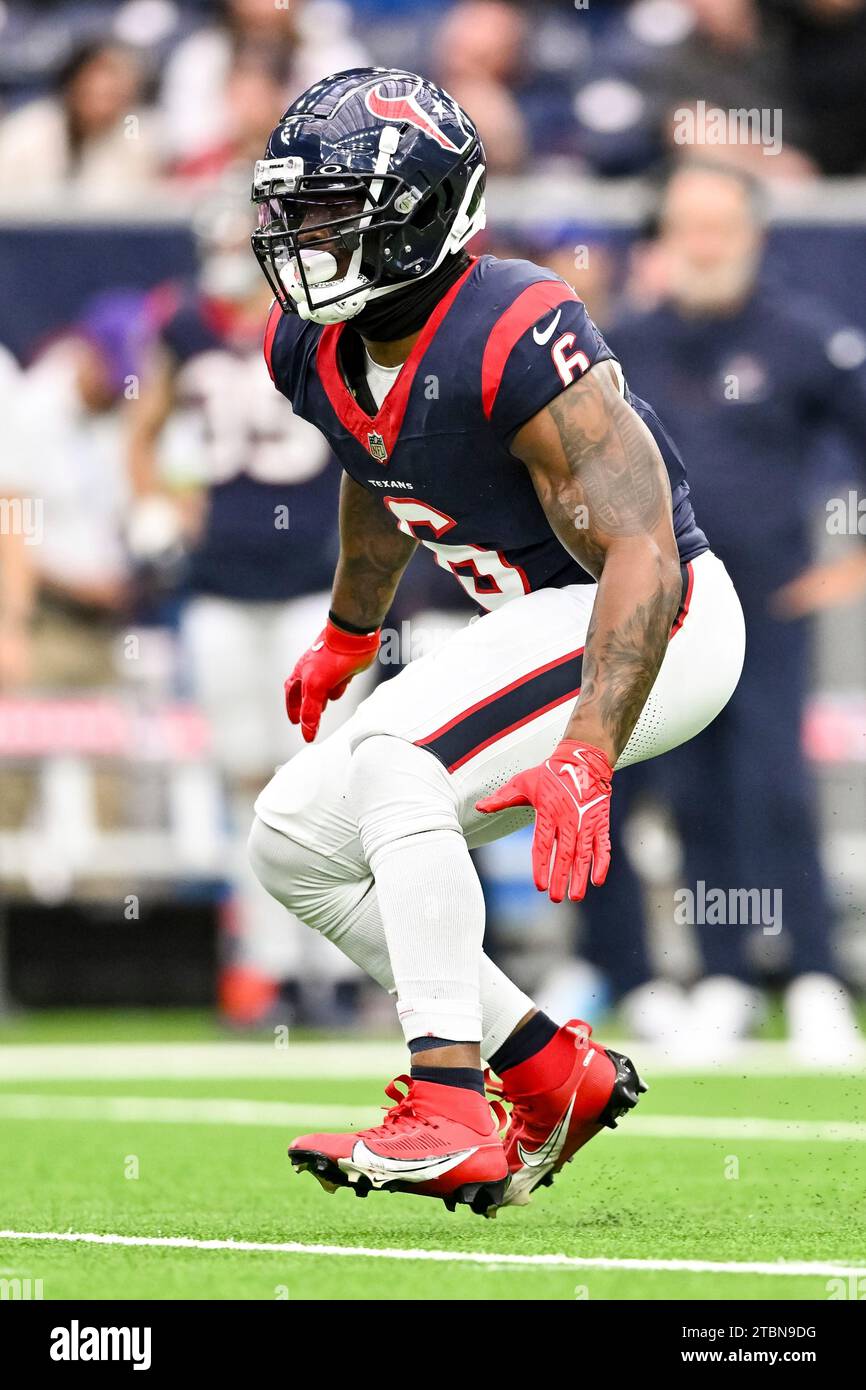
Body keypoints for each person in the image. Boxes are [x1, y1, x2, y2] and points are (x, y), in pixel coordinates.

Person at [246, 68, 744, 1216]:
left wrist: (587, 749)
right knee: (292, 840)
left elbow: (644, 549)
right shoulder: (309, 345)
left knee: (394, 761)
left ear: (418, 210)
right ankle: (542, 1066)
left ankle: (447, 1104)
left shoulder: (516, 322)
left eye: (331, 211)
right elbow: (377, 466)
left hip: (658, 617)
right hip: (542, 622)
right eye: (297, 211)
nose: (303, 237)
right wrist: (347, 627)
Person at [602, 160, 866, 1059]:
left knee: (777, 788)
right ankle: (723, 976)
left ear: (752, 233)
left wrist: (855, 559)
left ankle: (817, 976)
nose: (703, 245)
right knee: (692, 794)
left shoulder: (803, 338)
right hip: (666, 615)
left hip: (770, 606)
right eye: (687, 227)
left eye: (718, 226)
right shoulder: (624, 342)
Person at [128, 185, 370, 1028]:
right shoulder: (183, 330)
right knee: (248, 780)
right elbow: (142, 431)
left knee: (330, 777)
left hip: (315, 581)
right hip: (222, 584)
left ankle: (340, 967)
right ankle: (266, 966)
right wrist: (160, 501)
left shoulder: (324, 323)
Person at [0, 41, 160, 202]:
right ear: (74, 83)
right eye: (98, 87)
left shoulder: (135, 133)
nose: (107, 90)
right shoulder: (27, 131)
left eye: (116, 92)